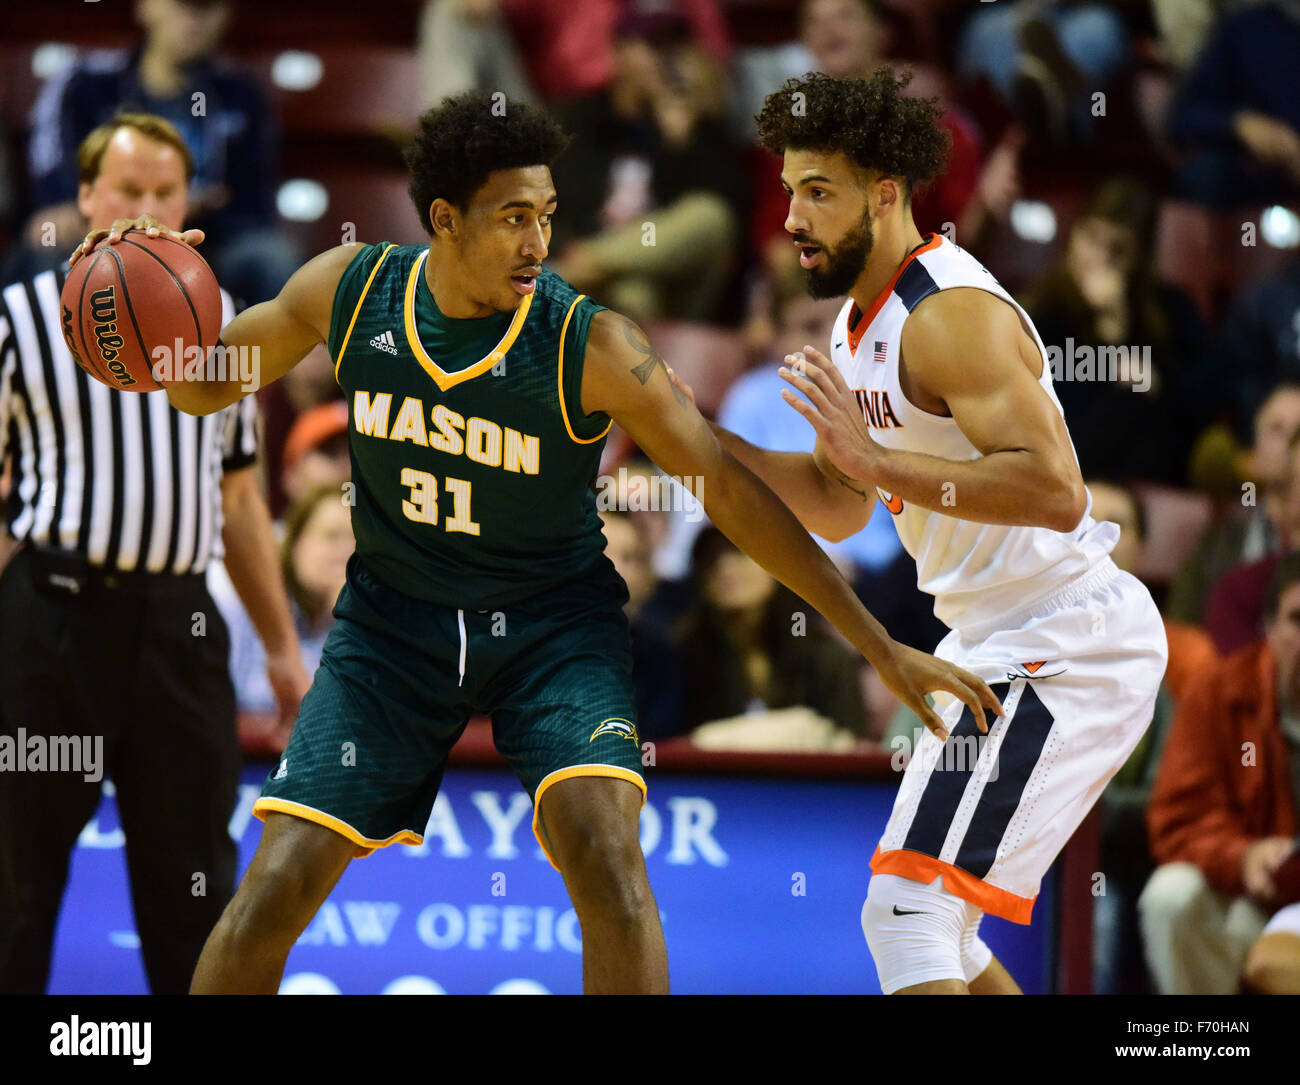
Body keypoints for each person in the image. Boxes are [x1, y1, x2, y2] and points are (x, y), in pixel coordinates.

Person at [74, 91, 1001, 995]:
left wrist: (877, 645)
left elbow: (732, 491)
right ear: (444, 218)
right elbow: (201, 386)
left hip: (554, 632)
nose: (539, 241)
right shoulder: (347, 292)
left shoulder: (592, 344)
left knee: (607, 856)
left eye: (548, 214)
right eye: (514, 216)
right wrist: (153, 315)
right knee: (272, 888)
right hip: (392, 632)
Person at [702, 68, 1167, 994]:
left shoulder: (949, 313)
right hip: (991, 640)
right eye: (791, 188)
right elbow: (840, 499)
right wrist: (704, 438)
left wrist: (882, 468)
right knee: (942, 930)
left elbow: (1057, 491)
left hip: (1068, 636)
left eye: (819, 191)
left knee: (909, 909)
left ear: (886, 195)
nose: (792, 214)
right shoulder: (850, 327)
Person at [0, 113, 309, 994]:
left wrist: (284, 652)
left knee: (195, 890)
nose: (144, 208)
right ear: (87, 196)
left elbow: (241, 498)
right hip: (49, 623)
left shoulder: (226, 325)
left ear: (189, 200)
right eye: (126, 190)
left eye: (162, 191)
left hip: (182, 625)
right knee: (17, 886)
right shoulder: (17, 321)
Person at [21, 0, 297, 305]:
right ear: (144, 6)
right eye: (181, 5)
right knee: (41, 249)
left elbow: (253, 206)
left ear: (227, 14)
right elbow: (56, 179)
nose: (194, 19)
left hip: (206, 239)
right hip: (100, 232)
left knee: (269, 258)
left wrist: (189, 213)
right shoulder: (86, 85)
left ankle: (251, 353)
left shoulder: (242, 94)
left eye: (208, 7)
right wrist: (63, 206)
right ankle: (44, 348)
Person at [1141, 552, 1300, 994]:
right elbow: (1178, 819)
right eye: (1296, 620)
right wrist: (1243, 856)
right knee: (1170, 896)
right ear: (1268, 627)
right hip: (1246, 892)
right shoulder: (1219, 690)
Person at [213, 483, 355, 757]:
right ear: (295, 542)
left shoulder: (369, 624)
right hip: (240, 762)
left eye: (356, 540)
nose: (345, 551)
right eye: (332, 536)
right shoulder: (242, 605)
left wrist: (350, 625)